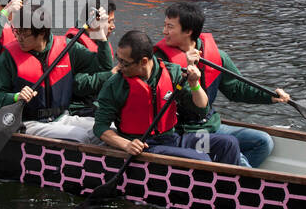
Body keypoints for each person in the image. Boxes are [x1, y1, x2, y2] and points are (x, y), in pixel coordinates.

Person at [154, 2, 289, 167]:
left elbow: (237, 89)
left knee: (263, 142)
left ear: (188, 31)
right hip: (186, 132)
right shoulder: (162, 62)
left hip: (212, 125)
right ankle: (237, 179)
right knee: (239, 158)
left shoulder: (217, 57)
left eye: (170, 27)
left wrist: (270, 96)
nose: (164, 31)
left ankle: (226, 177)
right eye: (165, 25)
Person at [93, 30, 241, 164]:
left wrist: (195, 84)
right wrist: (126, 145)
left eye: (124, 63)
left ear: (144, 61)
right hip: (144, 147)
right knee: (200, 158)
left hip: (173, 138)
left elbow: (202, 109)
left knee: (229, 144)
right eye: (119, 60)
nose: (119, 66)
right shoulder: (115, 85)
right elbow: (100, 127)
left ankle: (228, 188)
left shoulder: (172, 73)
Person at [0, 10, 113, 143]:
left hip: (62, 117)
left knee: (109, 130)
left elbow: (103, 66)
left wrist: (100, 33)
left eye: (25, 34)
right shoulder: (7, 57)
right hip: (29, 123)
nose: (19, 38)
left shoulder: (68, 47)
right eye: (17, 31)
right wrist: (16, 96)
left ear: (42, 32)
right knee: (81, 137)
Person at [68, 1, 115, 116]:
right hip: (80, 107)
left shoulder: (98, 42)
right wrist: (110, 75)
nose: (113, 26)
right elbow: (78, 85)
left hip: (96, 102)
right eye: (109, 22)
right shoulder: (75, 44)